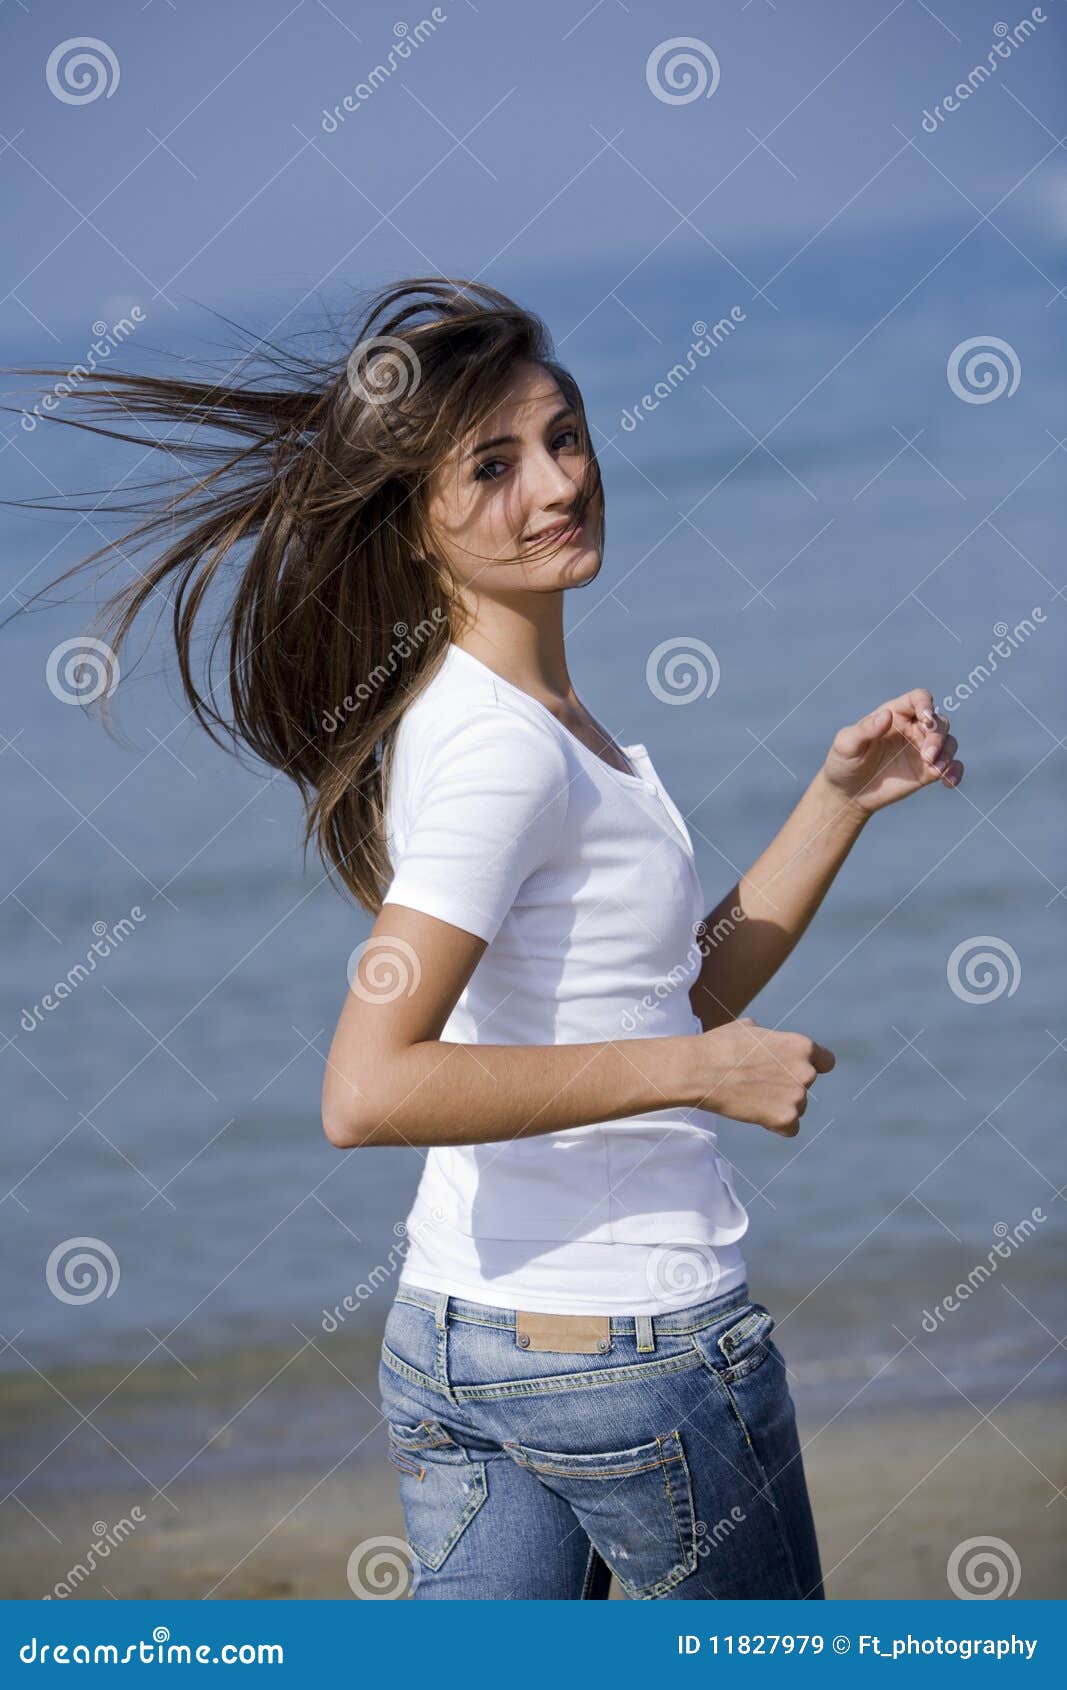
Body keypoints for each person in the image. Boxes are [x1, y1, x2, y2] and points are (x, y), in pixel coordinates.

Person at [10, 278, 963, 1600]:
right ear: (416, 525)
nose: (558, 482)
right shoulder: (502, 754)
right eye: (496, 465)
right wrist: (698, 1075)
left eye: (564, 437)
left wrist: (836, 803)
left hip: (465, 1338)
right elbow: (368, 1087)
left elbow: (662, 995)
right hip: (631, 1345)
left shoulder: (516, 719)